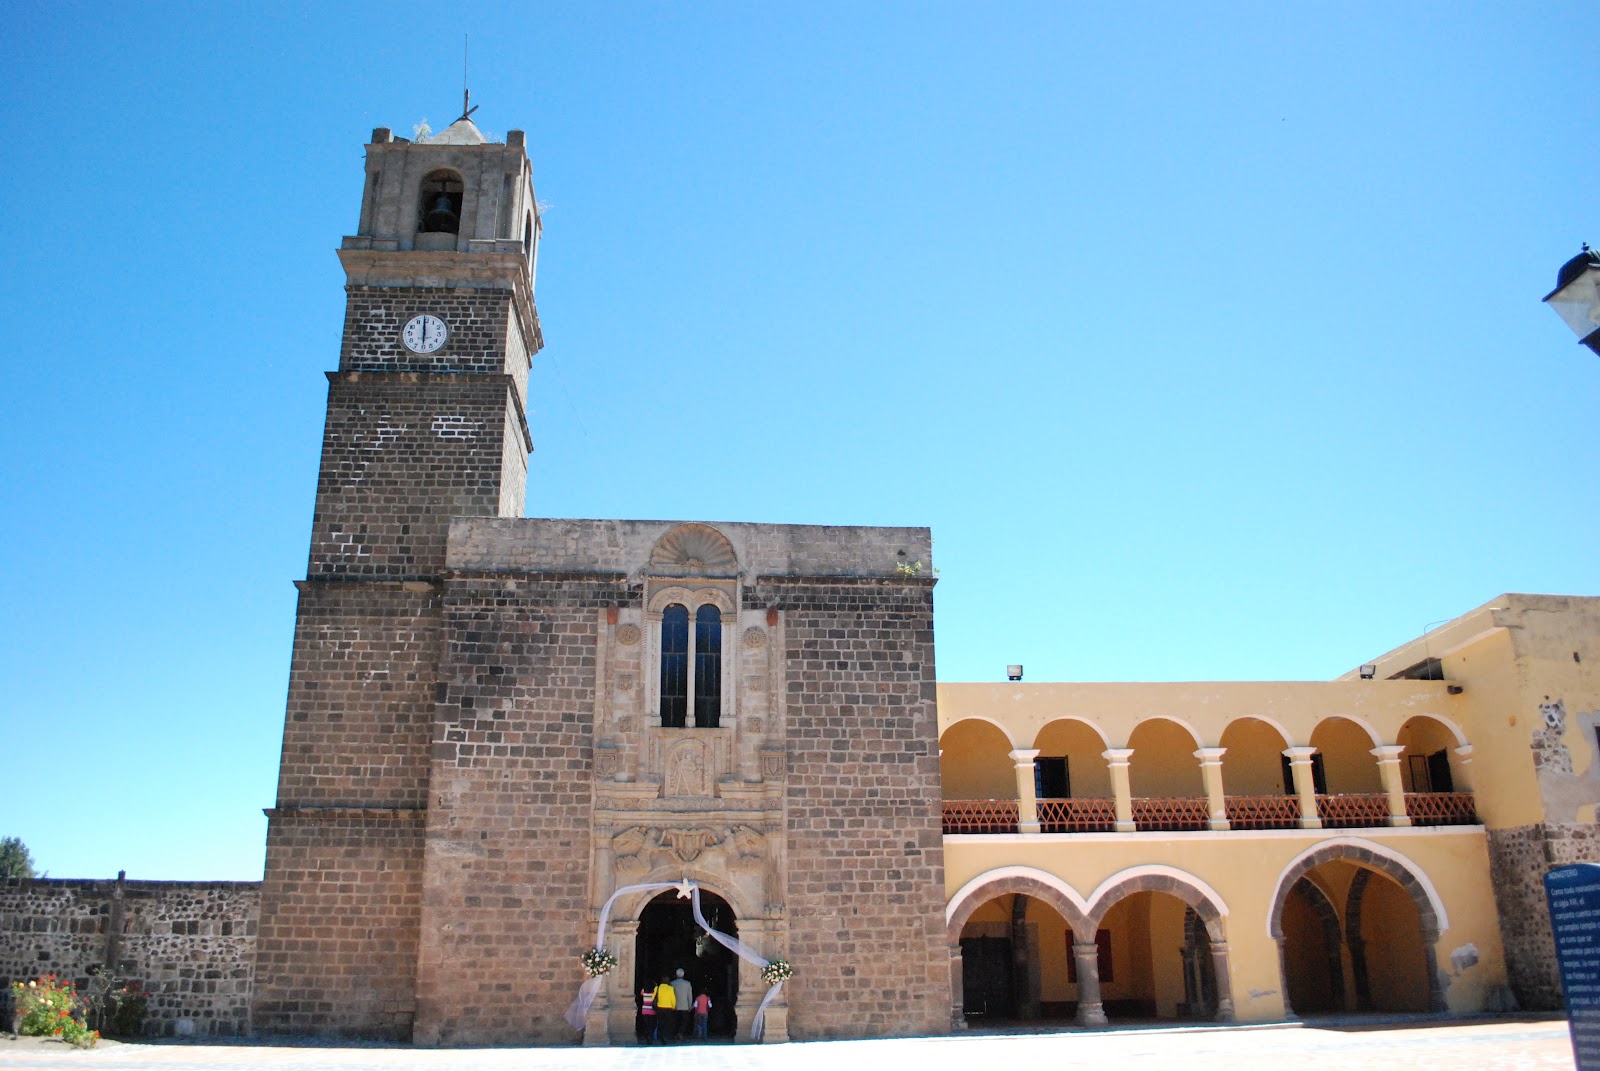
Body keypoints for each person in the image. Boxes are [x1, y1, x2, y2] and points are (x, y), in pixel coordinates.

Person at [671, 967, 694, 1041]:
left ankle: (676, 1034)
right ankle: (680, 1034)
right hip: (685, 1006)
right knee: (684, 1021)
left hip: (675, 1006)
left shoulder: (672, 983)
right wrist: (690, 1005)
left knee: (675, 1021)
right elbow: (689, 995)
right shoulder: (687, 984)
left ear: (676, 975)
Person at [653, 974, 677, 1043]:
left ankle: (660, 1036)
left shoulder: (657, 988)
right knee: (668, 1023)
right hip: (668, 1008)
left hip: (660, 1007)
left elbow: (653, 998)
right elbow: (673, 998)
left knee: (661, 1023)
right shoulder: (670, 988)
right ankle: (666, 1036)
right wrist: (674, 1006)